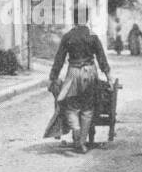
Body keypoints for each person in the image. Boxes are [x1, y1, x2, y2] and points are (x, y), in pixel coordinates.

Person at [45, 15, 112, 153]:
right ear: (86, 18)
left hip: (73, 73)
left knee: (70, 106)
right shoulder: (93, 36)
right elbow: (102, 59)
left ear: (74, 19)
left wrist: (52, 78)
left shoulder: (68, 37)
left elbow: (59, 60)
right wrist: (109, 77)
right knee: (88, 108)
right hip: (90, 73)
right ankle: (81, 142)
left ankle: (75, 129)